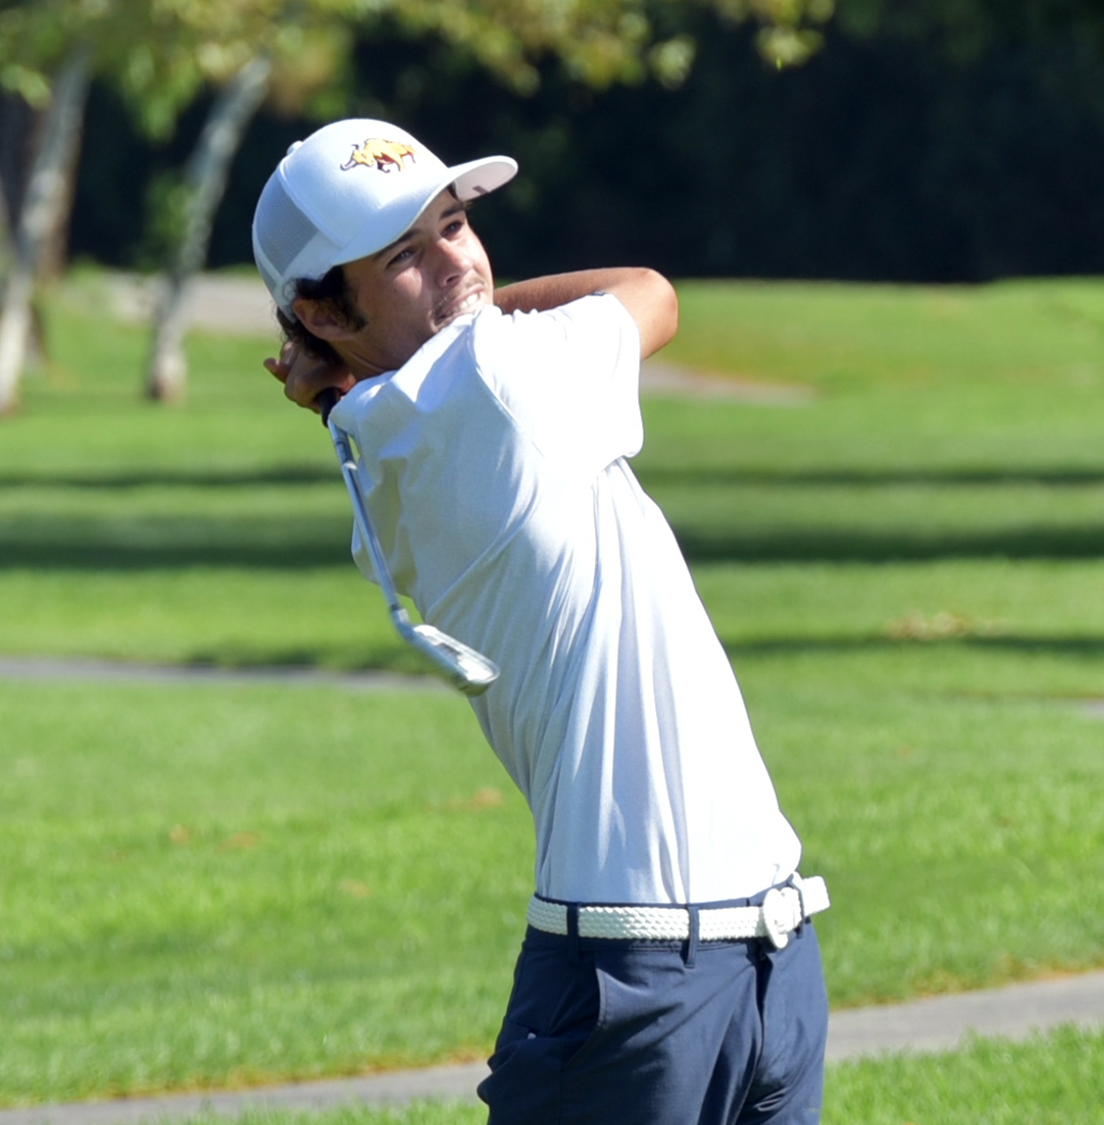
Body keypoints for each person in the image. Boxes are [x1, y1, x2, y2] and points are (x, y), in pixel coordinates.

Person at [251, 118, 829, 1125]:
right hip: (637, 984)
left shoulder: (398, 424)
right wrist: (436, 333)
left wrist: (351, 365)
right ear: (321, 311)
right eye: (404, 255)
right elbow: (649, 291)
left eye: (453, 225)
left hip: (750, 955)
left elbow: (414, 369)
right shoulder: (494, 380)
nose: (457, 264)